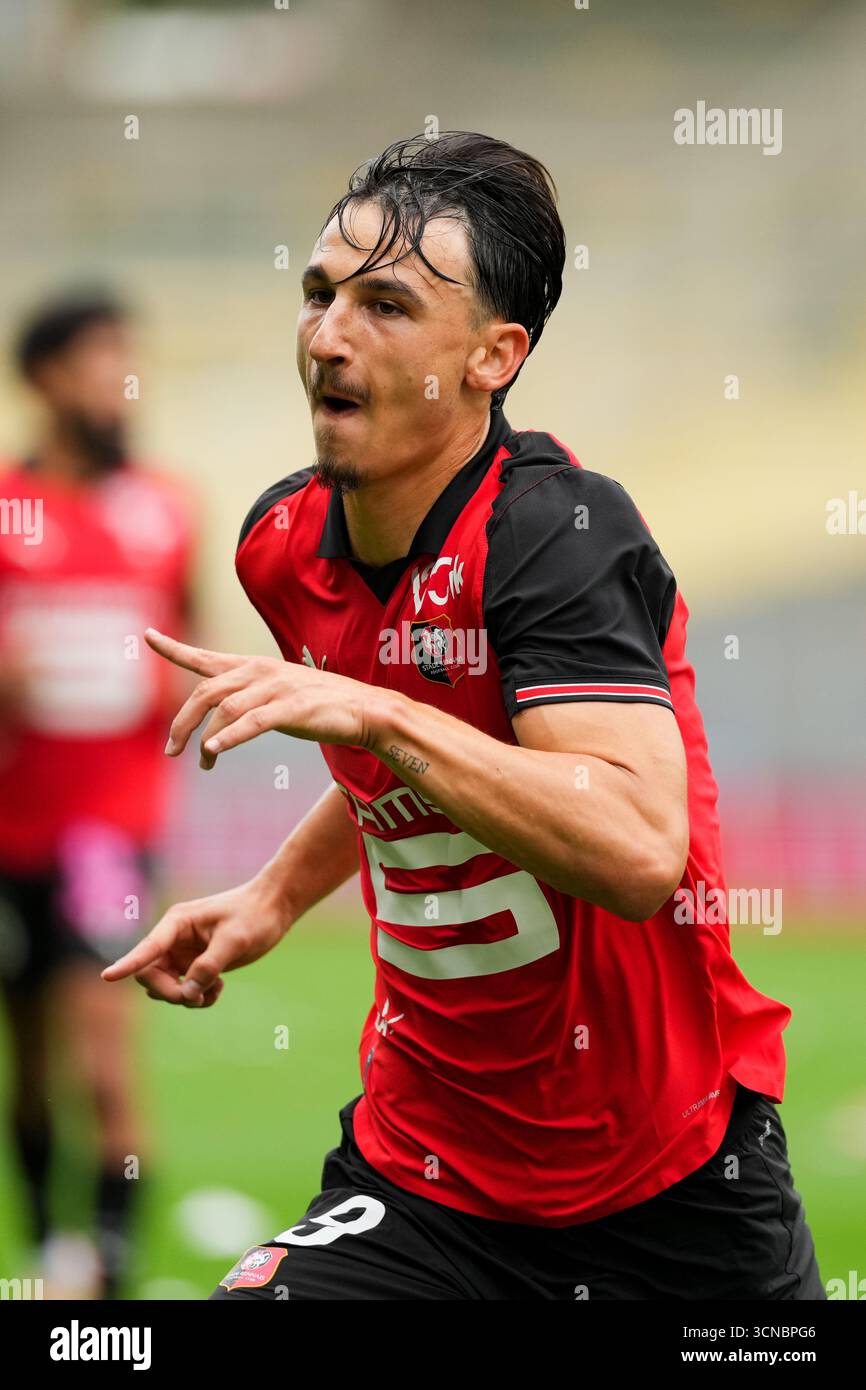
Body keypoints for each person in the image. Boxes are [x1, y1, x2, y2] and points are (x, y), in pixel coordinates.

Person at [104, 133, 824, 1300]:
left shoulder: (556, 536)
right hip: (424, 1172)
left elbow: (636, 850)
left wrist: (374, 715)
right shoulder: (280, 548)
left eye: (385, 303)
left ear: (495, 356)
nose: (328, 334)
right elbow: (410, 764)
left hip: (667, 1183)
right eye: (319, 293)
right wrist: (277, 894)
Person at [0, 291, 197, 1297]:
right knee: (29, 1067)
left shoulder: (167, 508)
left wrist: (175, 688)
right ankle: (44, 1250)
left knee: (104, 1065)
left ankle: (108, 1292)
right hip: (10, 833)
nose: (118, 379)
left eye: (128, 356)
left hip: (107, 832)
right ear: (40, 377)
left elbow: (189, 647)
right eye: (94, 358)